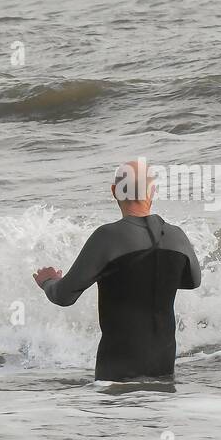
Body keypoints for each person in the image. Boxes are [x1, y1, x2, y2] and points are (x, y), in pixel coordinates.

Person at [33, 159, 202, 381]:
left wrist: (48, 282)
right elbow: (192, 281)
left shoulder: (108, 237)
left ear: (114, 191)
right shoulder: (177, 236)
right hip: (163, 371)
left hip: (117, 379)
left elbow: (64, 296)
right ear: (153, 191)